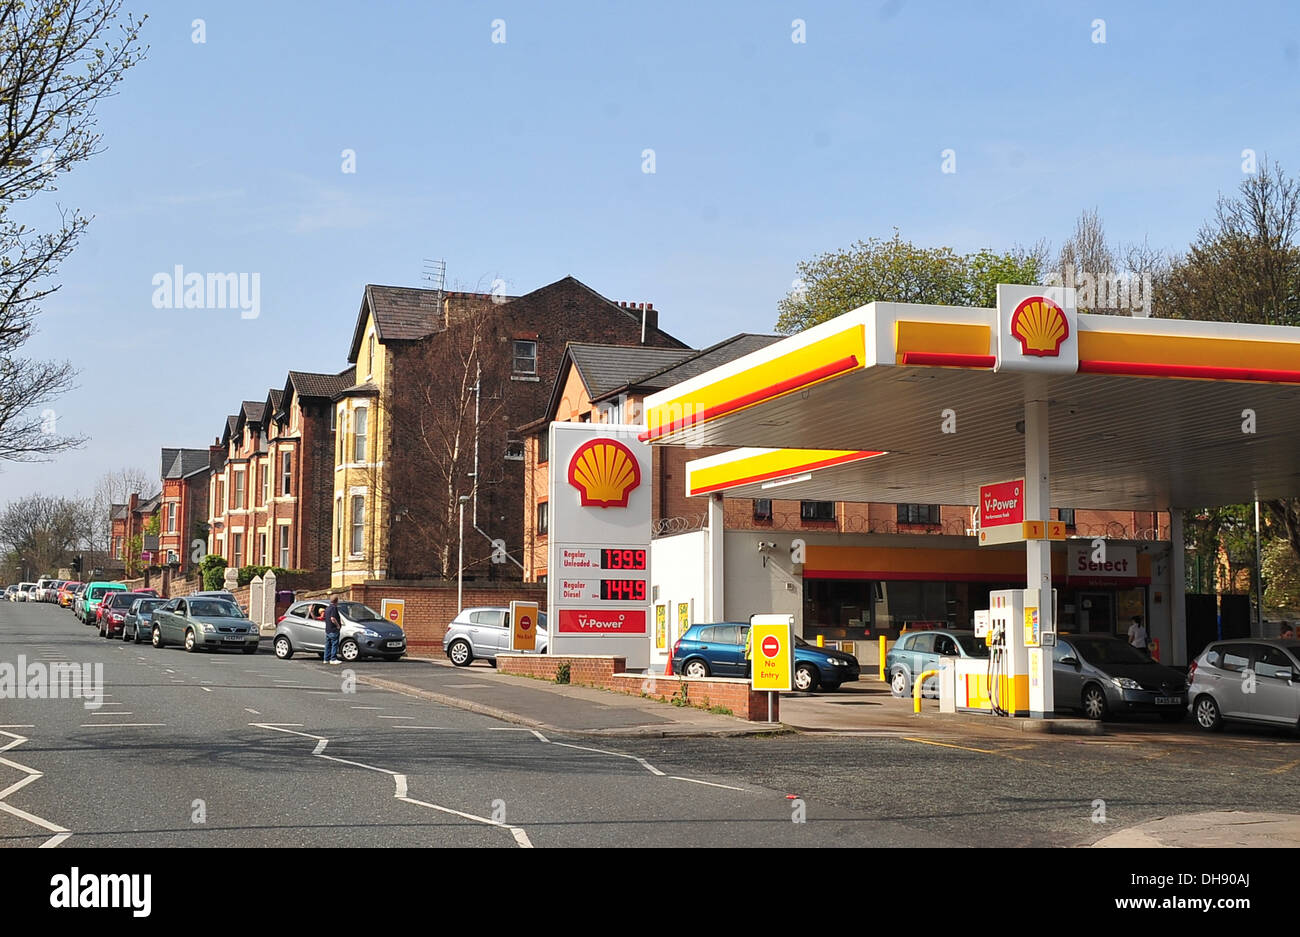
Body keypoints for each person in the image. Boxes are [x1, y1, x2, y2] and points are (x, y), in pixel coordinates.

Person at [323, 596, 342, 664]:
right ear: (337, 601)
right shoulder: (334, 608)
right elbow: (333, 618)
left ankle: (326, 659)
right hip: (333, 629)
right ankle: (333, 659)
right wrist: (338, 626)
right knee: (334, 644)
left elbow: (325, 618)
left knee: (328, 644)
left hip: (328, 629)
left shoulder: (327, 608)